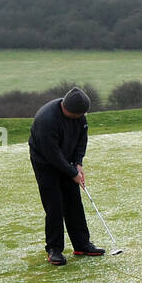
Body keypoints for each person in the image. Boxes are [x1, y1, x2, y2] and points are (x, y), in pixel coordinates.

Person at [29, 87, 104, 265]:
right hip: (45, 163)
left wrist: (78, 164)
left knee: (74, 201)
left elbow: (81, 140)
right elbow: (52, 154)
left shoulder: (79, 116)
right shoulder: (46, 120)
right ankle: (54, 249)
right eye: (76, 114)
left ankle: (82, 244)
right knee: (54, 205)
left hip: (68, 159)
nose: (79, 117)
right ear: (66, 108)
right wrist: (72, 173)